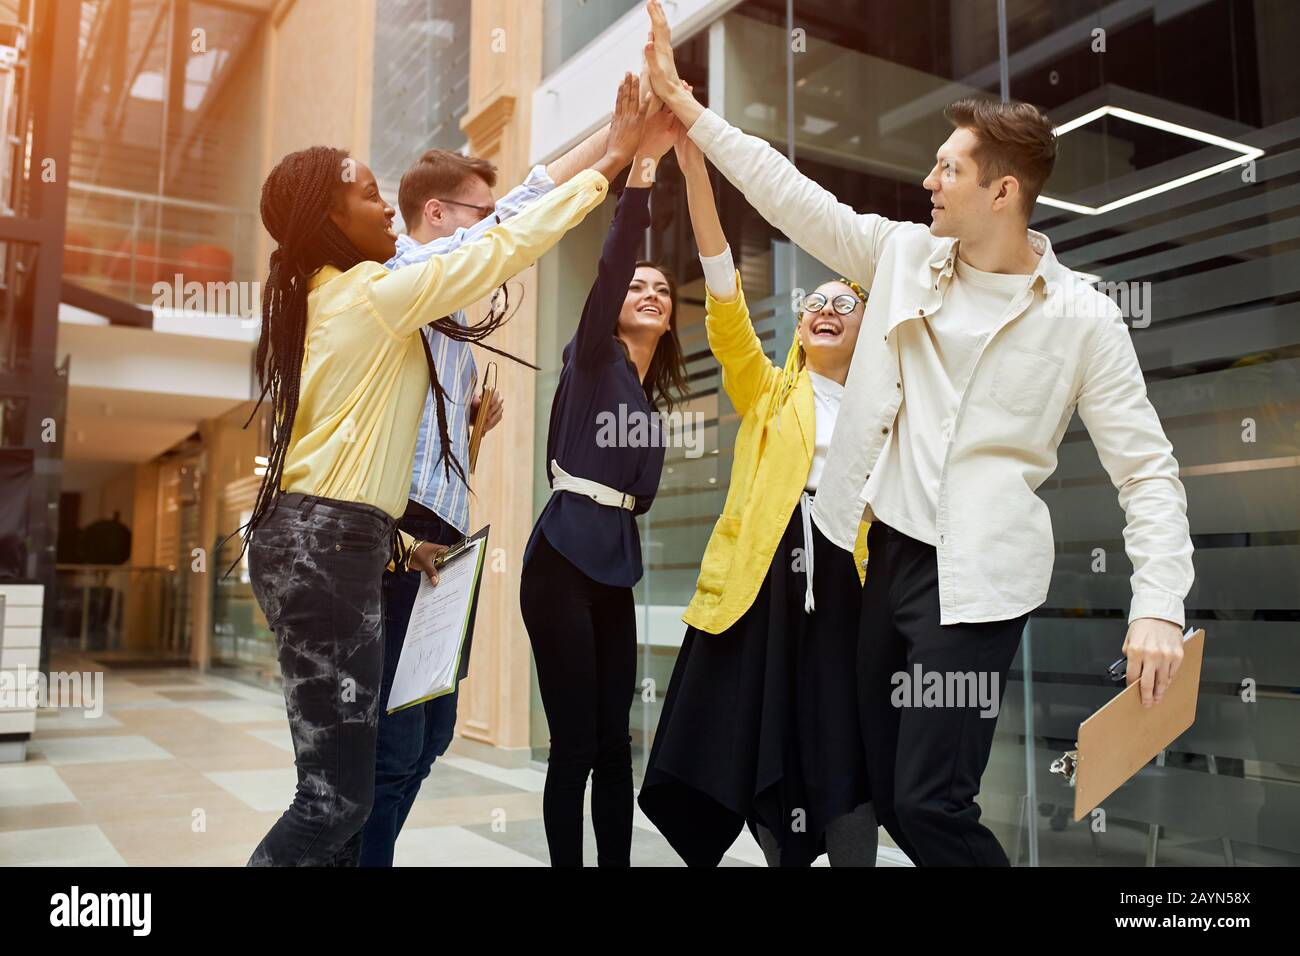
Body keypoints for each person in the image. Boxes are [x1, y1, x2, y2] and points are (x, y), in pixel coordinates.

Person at [644, 0, 1194, 866]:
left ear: (1002, 191)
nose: (928, 183)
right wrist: (691, 109)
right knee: (883, 793)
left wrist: (1158, 605)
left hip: (979, 584)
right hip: (885, 558)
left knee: (931, 800)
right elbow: (792, 196)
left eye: (948, 170)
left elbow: (1147, 473)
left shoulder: (1086, 320)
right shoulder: (902, 257)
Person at [241, 73, 647, 867]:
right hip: (325, 546)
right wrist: (613, 162)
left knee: (344, 790)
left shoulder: (349, 290)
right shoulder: (374, 291)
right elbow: (503, 241)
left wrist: (396, 548)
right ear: (329, 216)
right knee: (334, 799)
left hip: (346, 540)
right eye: (365, 194)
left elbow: (343, 472)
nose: (384, 205)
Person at [358, 122, 618, 868]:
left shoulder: (453, 308)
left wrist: (470, 439)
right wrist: (614, 147)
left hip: (447, 533)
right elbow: (522, 211)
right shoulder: (408, 267)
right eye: (479, 211)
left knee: (433, 736)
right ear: (435, 213)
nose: (493, 221)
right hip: (403, 534)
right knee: (395, 742)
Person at [638, 120, 876, 867]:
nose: (826, 309)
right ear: (801, 330)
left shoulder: (891, 407)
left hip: (853, 580)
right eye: (817, 302)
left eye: (848, 302)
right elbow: (724, 301)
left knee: (848, 743)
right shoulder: (769, 391)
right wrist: (694, 173)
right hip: (772, 582)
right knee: (773, 738)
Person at [518, 104, 689, 867]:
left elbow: (640, 499)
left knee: (617, 742)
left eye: (663, 289)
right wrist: (640, 175)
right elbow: (615, 260)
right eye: (639, 286)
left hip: (613, 567)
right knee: (576, 744)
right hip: (559, 561)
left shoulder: (649, 405)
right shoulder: (591, 358)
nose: (650, 291)